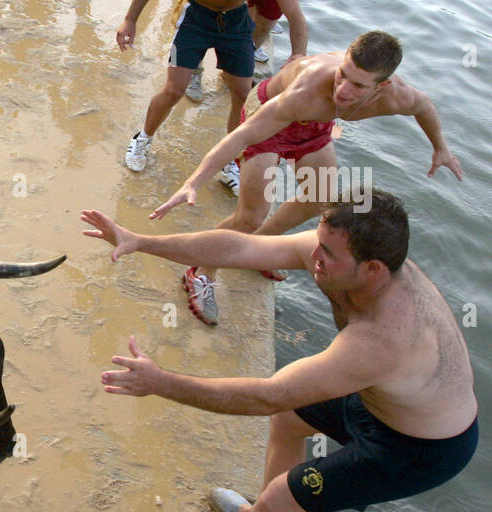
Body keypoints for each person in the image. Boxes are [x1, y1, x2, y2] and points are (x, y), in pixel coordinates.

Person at [80, 191, 479, 512]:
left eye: (327, 252)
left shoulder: (383, 340)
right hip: (384, 400)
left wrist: (162, 383)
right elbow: (240, 248)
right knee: (291, 416)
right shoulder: (353, 258)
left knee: (282, 504)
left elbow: (263, 397)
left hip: (416, 449)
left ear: (374, 269)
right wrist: (141, 240)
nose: (314, 256)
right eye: (318, 242)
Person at [152, 31, 464, 326]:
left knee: (321, 199)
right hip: (272, 118)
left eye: (357, 85)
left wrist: (441, 148)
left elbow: (424, 106)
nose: (342, 89)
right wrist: (193, 181)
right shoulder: (307, 90)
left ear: (381, 86)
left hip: (315, 127)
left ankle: (260, 246)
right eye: (343, 74)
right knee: (249, 216)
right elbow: (242, 136)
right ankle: (202, 271)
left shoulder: (396, 97)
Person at [116, 0, 255, 184]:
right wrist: (130, 20)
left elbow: (292, 12)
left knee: (243, 94)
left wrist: (297, 52)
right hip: (194, 20)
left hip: (236, 22)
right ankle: (142, 139)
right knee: (174, 90)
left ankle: (230, 162)